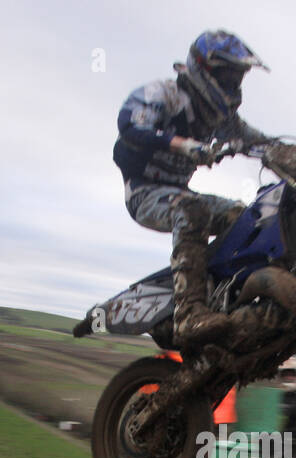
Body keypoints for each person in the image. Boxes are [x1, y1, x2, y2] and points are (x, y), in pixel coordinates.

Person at [113, 30, 271, 354]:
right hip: (145, 193)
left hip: (179, 191)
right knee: (192, 210)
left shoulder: (218, 116)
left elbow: (254, 138)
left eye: (236, 77)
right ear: (204, 69)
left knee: (244, 217)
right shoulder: (163, 93)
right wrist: (183, 145)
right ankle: (188, 313)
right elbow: (130, 125)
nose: (232, 84)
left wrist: (288, 151)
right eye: (227, 75)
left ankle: (227, 297)